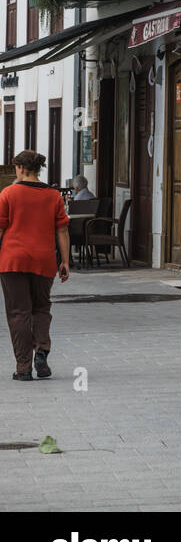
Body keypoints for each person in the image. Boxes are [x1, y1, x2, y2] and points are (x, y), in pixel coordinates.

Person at [0, 150, 70, 381]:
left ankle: (23, 368)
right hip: (44, 260)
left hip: (12, 261)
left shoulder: (8, 193)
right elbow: (61, 230)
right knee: (41, 308)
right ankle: (41, 349)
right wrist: (66, 261)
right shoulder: (53, 196)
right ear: (37, 169)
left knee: (19, 313)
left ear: (20, 168)